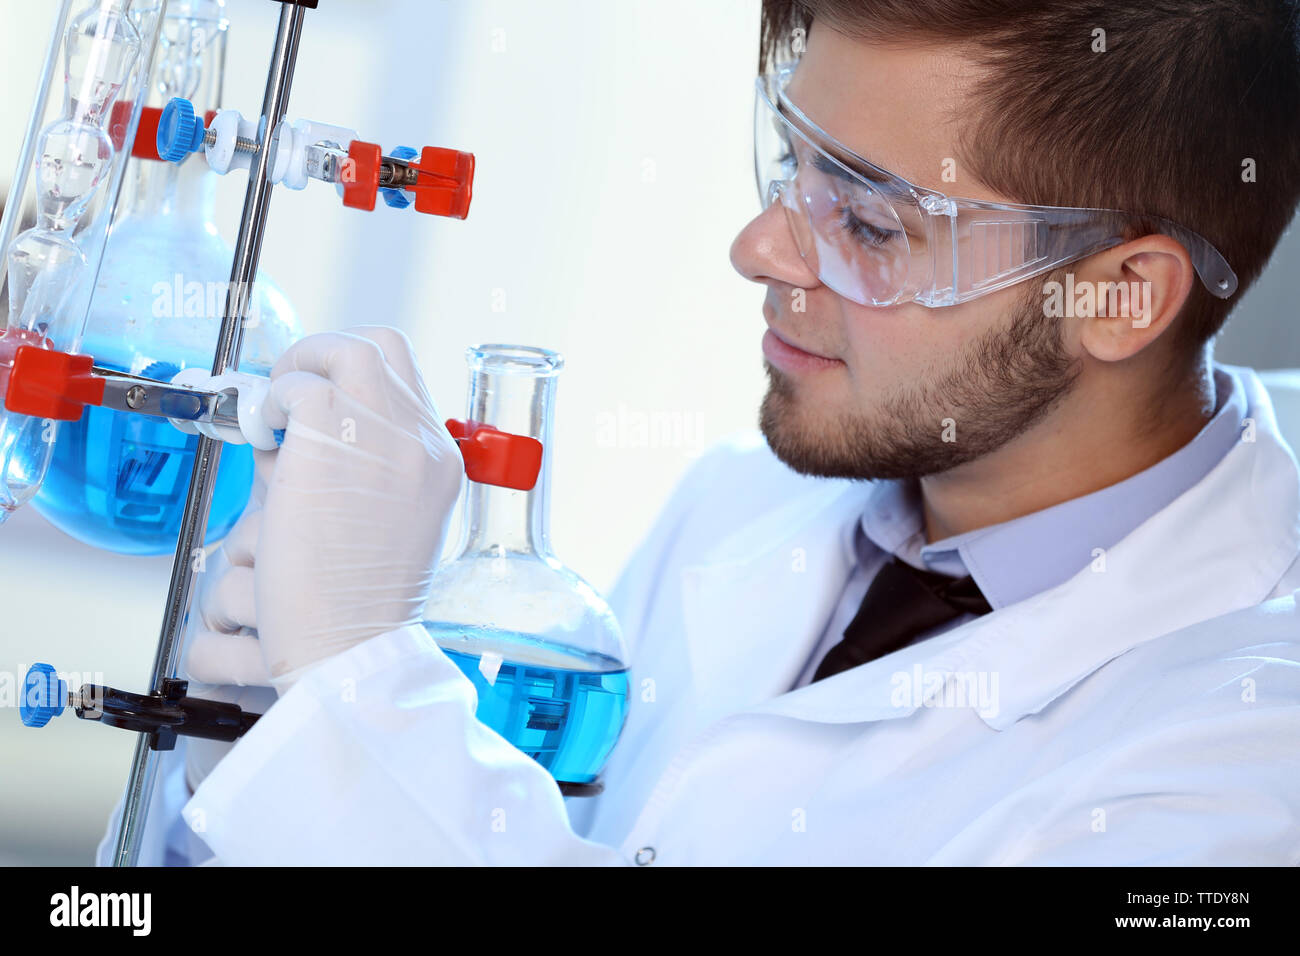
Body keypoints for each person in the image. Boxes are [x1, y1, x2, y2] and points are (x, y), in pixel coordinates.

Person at [100, 0, 1300, 865]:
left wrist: (355, 697)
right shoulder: (742, 505)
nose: (760, 249)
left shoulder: (1251, 754)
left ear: (1120, 296)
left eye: (871, 222)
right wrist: (262, 756)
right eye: (792, 166)